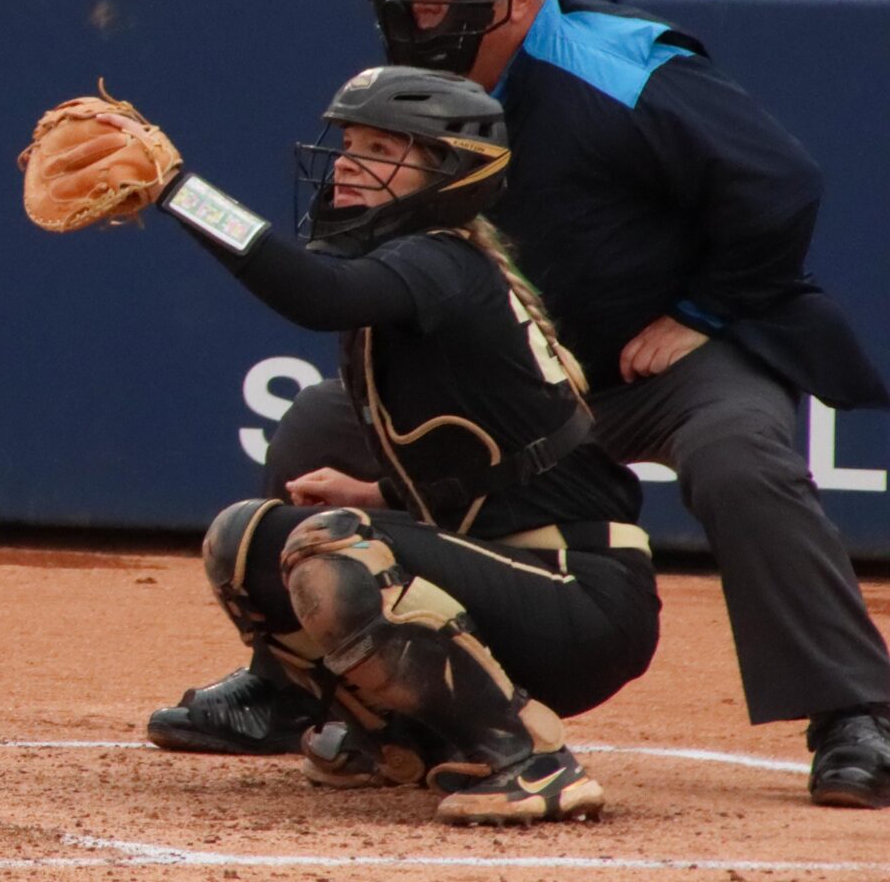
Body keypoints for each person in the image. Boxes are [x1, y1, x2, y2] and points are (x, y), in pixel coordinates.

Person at [148, 0, 890, 810]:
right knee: (315, 424)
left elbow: (782, 180)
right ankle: (293, 682)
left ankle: (855, 712)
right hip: (518, 375)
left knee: (740, 455)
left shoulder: (617, 64)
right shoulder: (420, 89)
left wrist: (705, 311)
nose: (424, 6)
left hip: (650, 359)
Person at [53, 69, 656, 823]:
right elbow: (493, 469)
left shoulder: (440, 259)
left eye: (381, 148)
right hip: (510, 566)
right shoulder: (422, 266)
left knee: (334, 550)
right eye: (348, 143)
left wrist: (184, 193)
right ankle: (394, 734)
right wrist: (382, 496)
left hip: (581, 598)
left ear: (448, 173)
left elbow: (315, 294)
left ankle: (525, 756)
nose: (346, 161)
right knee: (247, 538)